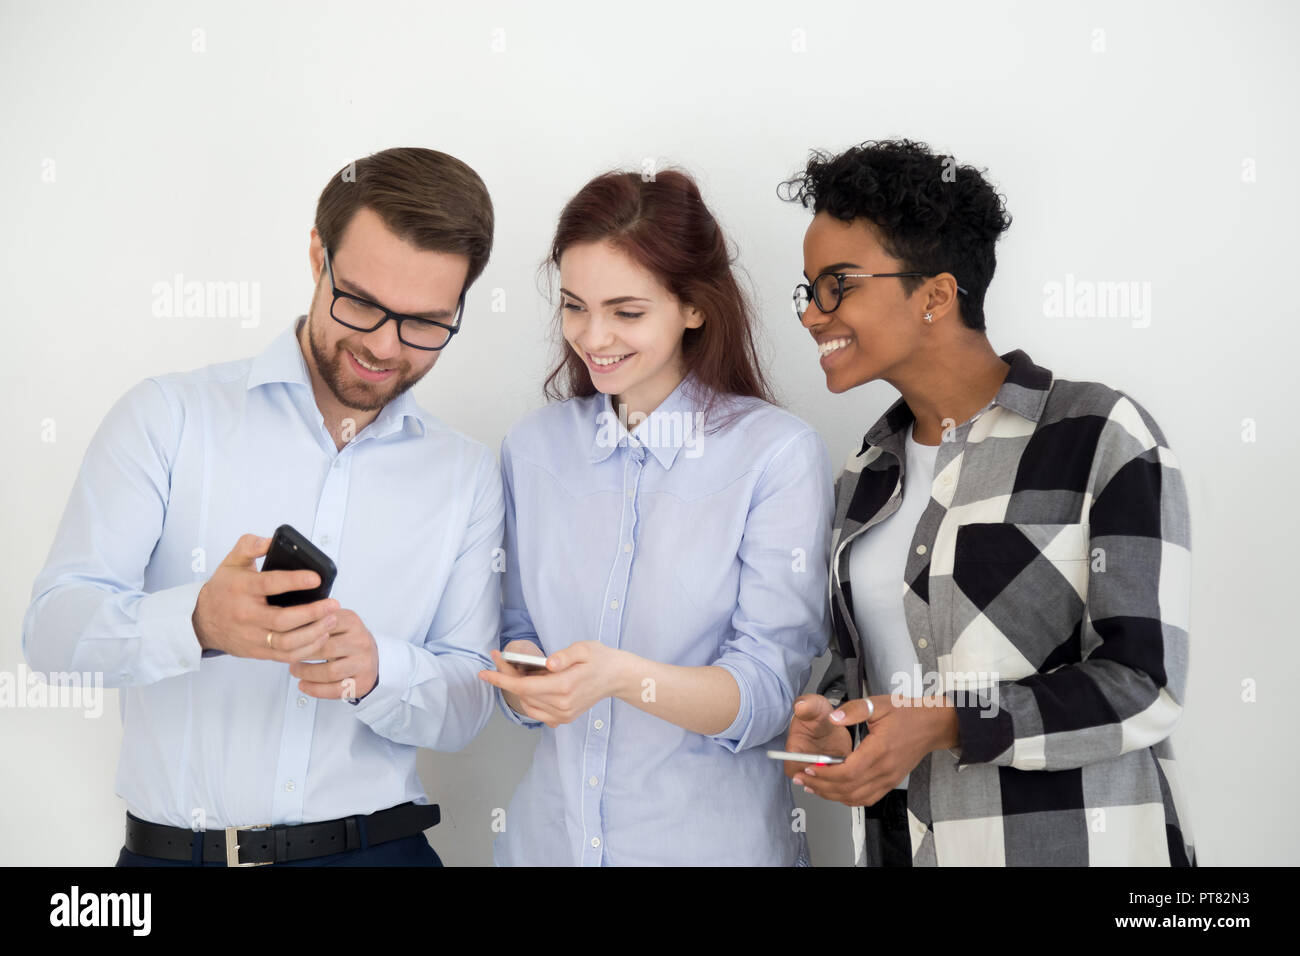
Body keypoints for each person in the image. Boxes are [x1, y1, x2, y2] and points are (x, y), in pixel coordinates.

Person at [22, 147, 503, 866]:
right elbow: (51, 636)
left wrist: (380, 673)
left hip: (379, 851)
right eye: (363, 304)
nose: (383, 345)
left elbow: (470, 705)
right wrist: (197, 621)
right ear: (318, 256)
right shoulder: (169, 417)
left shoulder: (466, 475)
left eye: (425, 323)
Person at [777, 139, 1195, 867]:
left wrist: (951, 723)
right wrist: (836, 726)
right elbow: (875, 679)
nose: (814, 315)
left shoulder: (1099, 435)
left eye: (837, 284)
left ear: (937, 295)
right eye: (809, 289)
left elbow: (1144, 685)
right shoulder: (866, 472)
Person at [478, 168, 834, 866]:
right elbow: (517, 631)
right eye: (574, 306)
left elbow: (767, 692)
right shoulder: (534, 448)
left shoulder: (775, 455)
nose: (593, 335)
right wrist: (528, 686)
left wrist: (617, 677)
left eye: (627, 311)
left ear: (693, 308)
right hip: (546, 845)